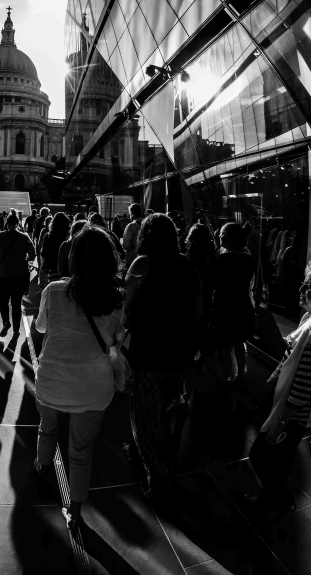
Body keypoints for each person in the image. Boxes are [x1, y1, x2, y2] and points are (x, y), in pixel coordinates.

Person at [33, 225, 125, 530]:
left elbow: (41, 329)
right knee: (81, 451)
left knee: (48, 430)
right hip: (93, 389)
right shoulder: (115, 301)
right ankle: (75, 511)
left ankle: (43, 469)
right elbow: (116, 341)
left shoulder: (54, 291)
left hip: (52, 380)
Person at [247, 261, 311, 517]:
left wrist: (282, 421)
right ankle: (273, 499)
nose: (302, 290)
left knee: (260, 455)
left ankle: (278, 500)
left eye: (310, 287)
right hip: (298, 412)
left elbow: (303, 383)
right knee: (281, 459)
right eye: (304, 284)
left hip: (294, 412)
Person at [124, 214, 201, 499]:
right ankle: (147, 450)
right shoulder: (187, 265)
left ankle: (160, 481)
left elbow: (126, 304)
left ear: (146, 235)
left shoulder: (142, 264)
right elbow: (197, 310)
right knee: (169, 406)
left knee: (145, 418)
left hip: (148, 352)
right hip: (179, 352)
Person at [212, 222, 256, 383]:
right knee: (239, 342)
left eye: (222, 235)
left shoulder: (222, 260)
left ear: (229, 238)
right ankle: (241, 375)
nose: (219, 237)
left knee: (224, 346)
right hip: (242, 305)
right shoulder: (247, 259)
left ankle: (225, 377)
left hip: (225, 306)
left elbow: (215, 282)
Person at [0, 213, 35, 336]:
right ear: (18, 224)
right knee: (16, 303)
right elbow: (32, 255)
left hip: (3, 274)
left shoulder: (0, 236)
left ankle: (6, 321)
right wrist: (23, 259)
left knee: (2, 301)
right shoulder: (24, 237)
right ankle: (16, 330)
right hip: (20, 274)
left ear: (7, 223)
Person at [40, 213, 70, 285]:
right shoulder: (69, 236)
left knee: (54, 290)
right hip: (67, 269)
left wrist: (43, 267)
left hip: (52, 267)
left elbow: (44, 253)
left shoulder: (48, 236)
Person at [122, 203, 144, 268]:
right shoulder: (147, 223)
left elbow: (126, 245)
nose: (130, 216)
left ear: (133, 214)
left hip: (132, 260)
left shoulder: (131, 226)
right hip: (145, 259)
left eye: (130, 214)